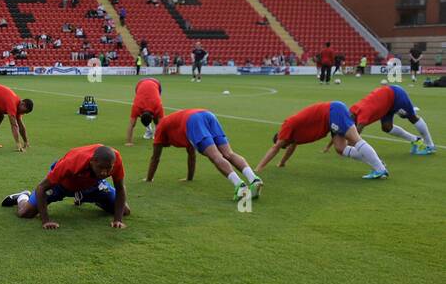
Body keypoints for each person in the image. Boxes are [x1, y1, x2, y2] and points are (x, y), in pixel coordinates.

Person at [1, 144, 129, 229]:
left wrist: (118, 220)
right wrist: (46, 221)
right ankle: (22, 196)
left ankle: (95, 199)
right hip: (62, 185)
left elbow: (120, 188)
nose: (104, 173)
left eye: (108, 169)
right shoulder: (72, 161)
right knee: (25, 213)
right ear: (92, 161)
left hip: (93, 185)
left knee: (124, 210)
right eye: (100, 168)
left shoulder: (115, 159)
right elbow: (41, 188)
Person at [145, 109, 262, 199]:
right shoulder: (176, 127)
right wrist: (189, 178)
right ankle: (253, 179)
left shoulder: (160, 129)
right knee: (228, 153)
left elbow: (155, 158)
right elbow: (191, 155)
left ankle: (240, 186)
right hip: (207, 114)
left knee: (215, 156)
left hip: (193, 120)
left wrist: (149, 179)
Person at [256, 101, 388, 179]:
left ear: (281, 136)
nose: (286, 145)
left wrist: (259, 168)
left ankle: (380, 168)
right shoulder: (292, 138)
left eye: (283, 144)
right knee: (340, 148)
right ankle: (376, 163)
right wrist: (282, 163)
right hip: (330, 120)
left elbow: (275, 148)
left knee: (355, 139)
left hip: (333, 111)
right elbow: (290, 147)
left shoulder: (287, 126)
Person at [345, 83, 435, 155]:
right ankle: (416, 140)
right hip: (386, 103)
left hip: (396, 95)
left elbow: (358, 130)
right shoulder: (354, 109)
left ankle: (430, 146)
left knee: (412, 118)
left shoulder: (363, 112)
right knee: (386, 127)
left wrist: (347, 147)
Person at [125, 78, 165, 144]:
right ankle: (149, 130)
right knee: (156, 115)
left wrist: (129, 142)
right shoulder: (137, 106)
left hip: (156, 83)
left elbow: (131, 125)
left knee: (157, 119)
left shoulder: (158, 105)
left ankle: (155, 133)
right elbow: (131, 125)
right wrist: (129, 142)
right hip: (140, 85)